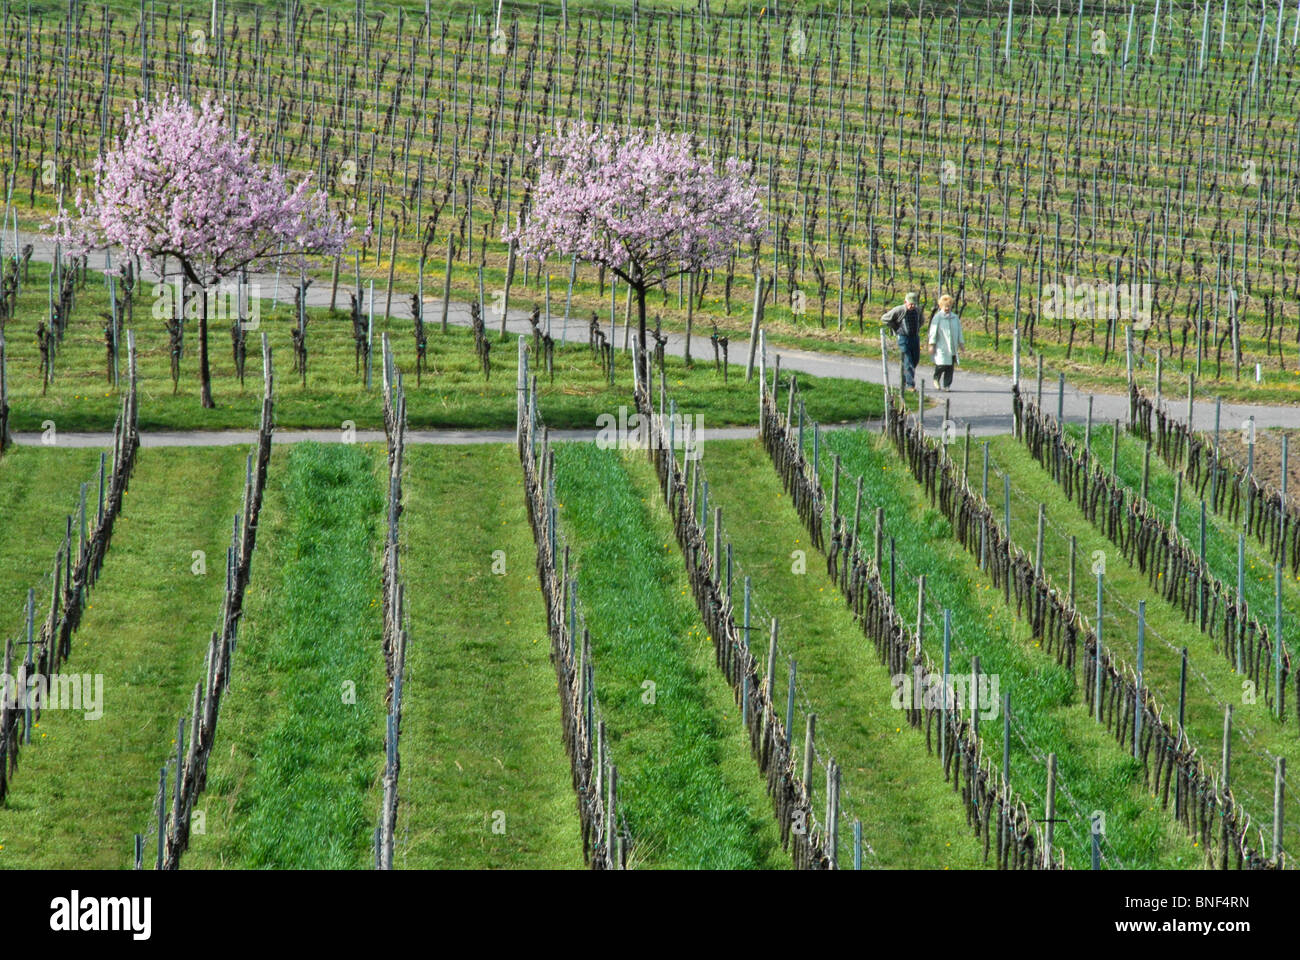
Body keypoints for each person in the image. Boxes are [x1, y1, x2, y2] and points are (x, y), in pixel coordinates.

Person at [882, 293, 924, 390]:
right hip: (903, 338)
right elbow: (884, 318)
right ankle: (910, 385)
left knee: (915, 360)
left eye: (914, 304)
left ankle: (904, 378)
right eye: (910, 304)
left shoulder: (918, 310)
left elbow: (921, 321)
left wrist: (917, 328)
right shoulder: (899, 310)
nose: (912, 306)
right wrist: (895, 327)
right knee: (908, 361)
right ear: (905, 302)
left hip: (915, 338)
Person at [928, 294, 964, 392]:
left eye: (949, 306)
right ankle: (936, 377)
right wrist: (931, 344)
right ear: (940, 306)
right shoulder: (938, 317)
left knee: (950, 367)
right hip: (941, 346)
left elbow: (959, 331)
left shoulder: (955, 318)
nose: (947, 308)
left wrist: (961, 343)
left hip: (952, 346)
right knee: (941, 364)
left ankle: (947, 385)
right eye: (945, 306)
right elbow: (933, 331)